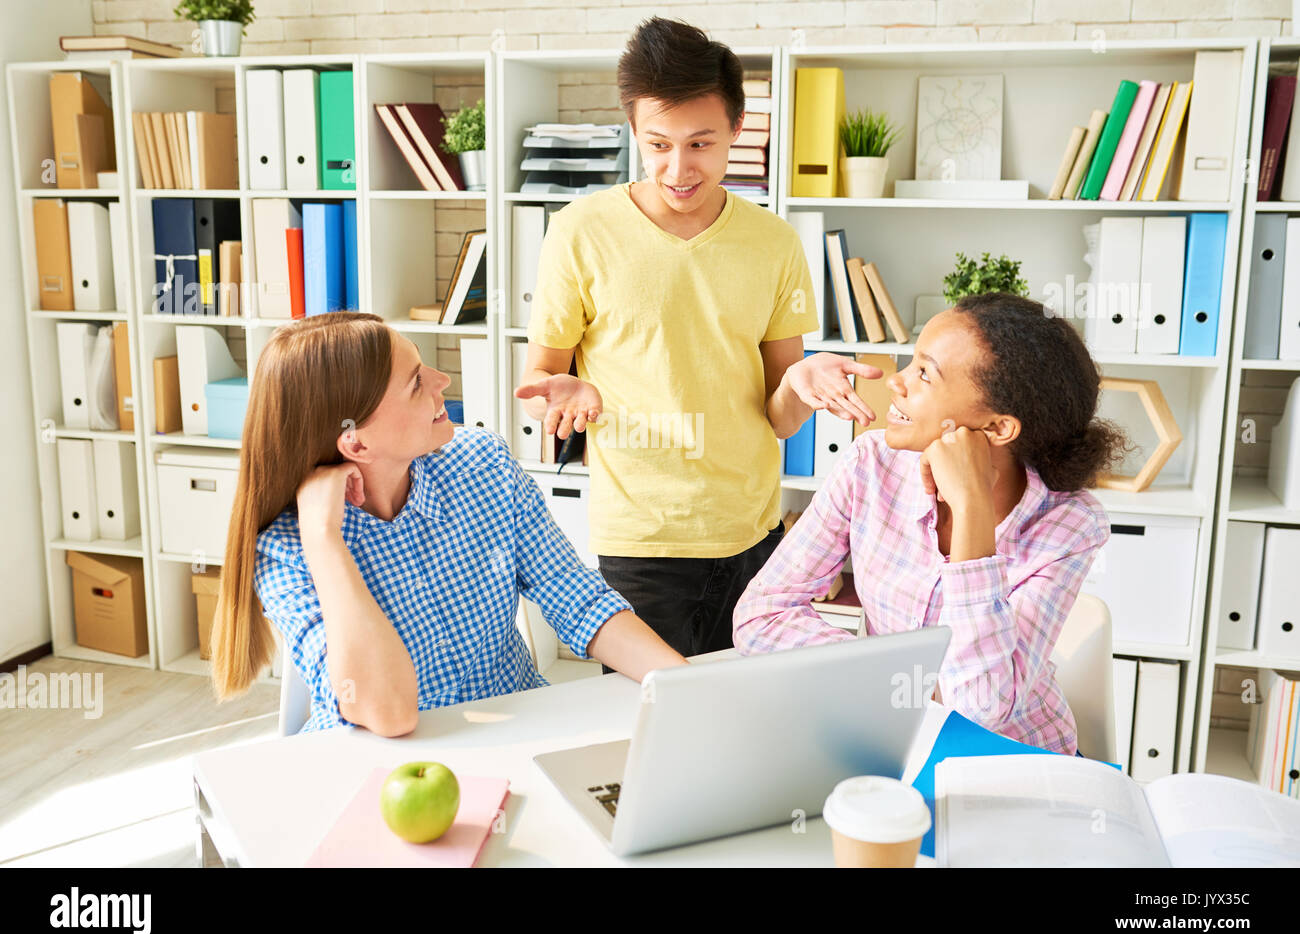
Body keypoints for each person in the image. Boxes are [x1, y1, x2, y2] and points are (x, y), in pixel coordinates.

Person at [516, 17, 880, 662]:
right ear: (634, 131)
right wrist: (563, 396)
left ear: (738, 131)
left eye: (701, 144)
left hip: (754, 533)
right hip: (641, 540)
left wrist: (799, 384)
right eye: (657, 145)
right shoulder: (581, 231)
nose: (678, 168)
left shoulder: (773, 244)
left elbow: (778, 418)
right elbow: (540, 386)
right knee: (644, 728)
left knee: (747, 721)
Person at [210, 312, 687, 736]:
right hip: (381, 769)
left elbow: (578, 600)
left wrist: (690, 687)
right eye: (416, 382)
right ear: (356, 445)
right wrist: (324, 542)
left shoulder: (483, 465)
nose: (441, 380)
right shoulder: (289, 549)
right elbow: (388, 715)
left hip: (516, 731)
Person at [732, 293, 1130, 757]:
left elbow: (980, 708)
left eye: (925, 373)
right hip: (891, 743)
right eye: (911, 362)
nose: (896, 382)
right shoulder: (871, 464)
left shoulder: (1068, 524)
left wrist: (971, 506)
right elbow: (760, 616)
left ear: (999, 428)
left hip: (1015, 760)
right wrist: (899, 681)